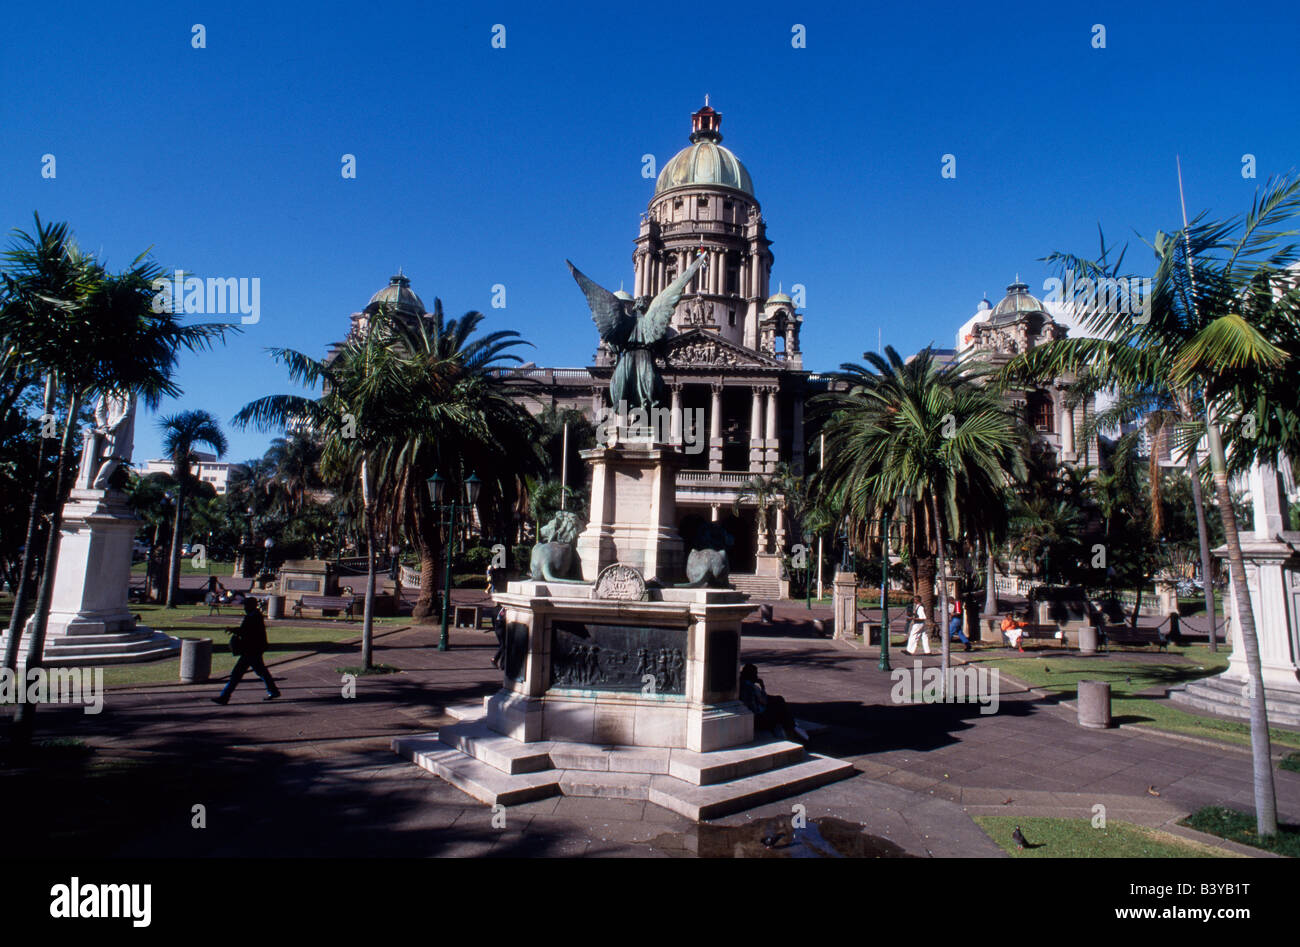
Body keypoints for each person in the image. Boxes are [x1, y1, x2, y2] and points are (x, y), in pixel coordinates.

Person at [212, 598, 281, 704]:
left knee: (236, 674)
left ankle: (224, 697)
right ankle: (273, 691)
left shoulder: (253, 617)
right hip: (254, 649)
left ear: (251, 606)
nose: (244, 608)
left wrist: (234, 630)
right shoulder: (254, 616)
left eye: (246, 605)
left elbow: (247, 632)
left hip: (250, 650)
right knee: (261, 671)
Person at [739, 663, 809, 743]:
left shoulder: (743, 684)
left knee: (778, 700)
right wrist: (762, 686)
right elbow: (763, 701)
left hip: (752, 715)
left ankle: (791, 725)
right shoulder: (751, 687)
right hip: (758, 718)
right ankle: (791, 726)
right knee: (779, 705)